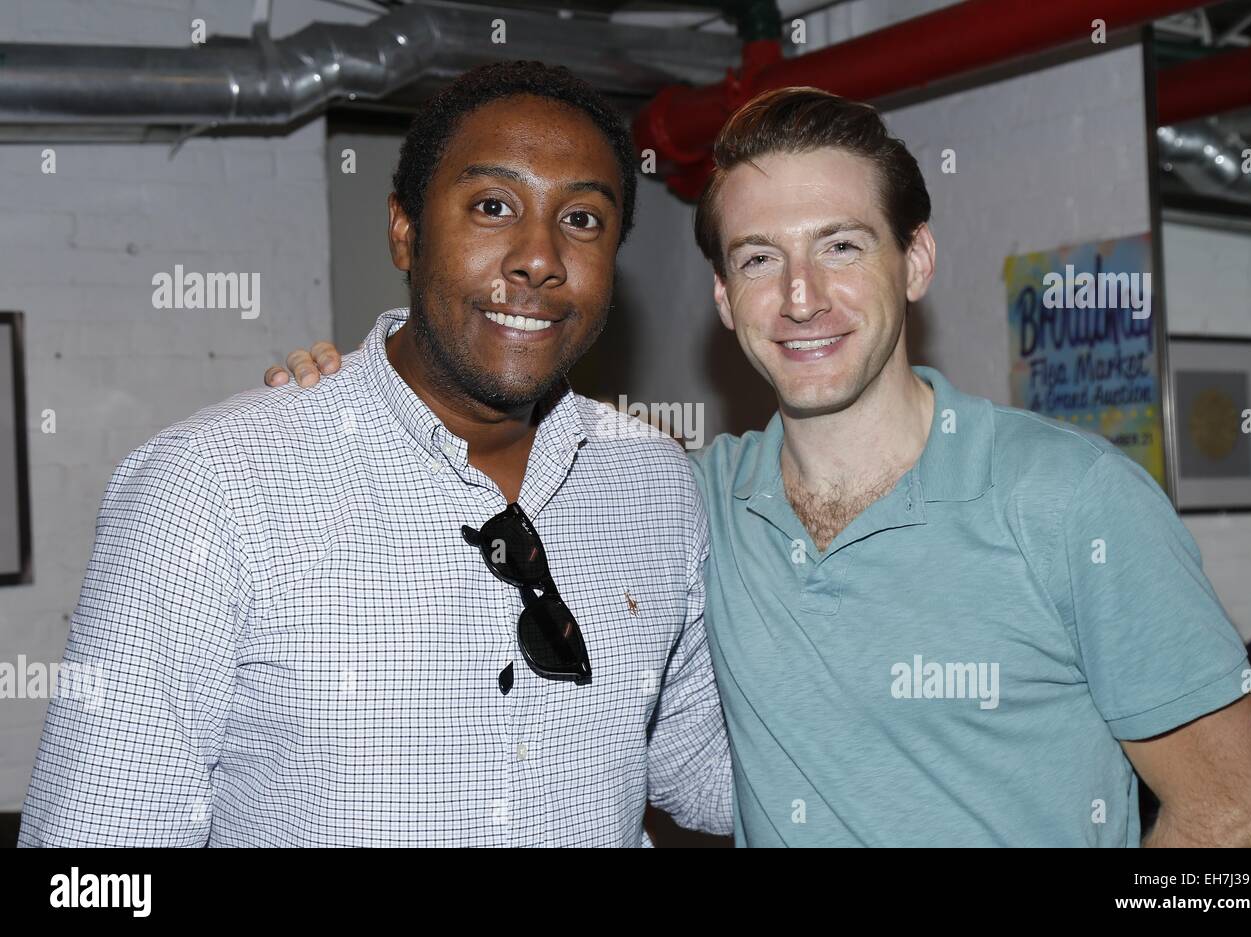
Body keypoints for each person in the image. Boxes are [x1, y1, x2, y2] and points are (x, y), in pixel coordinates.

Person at [275, 86, 1251, 847]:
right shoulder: (685, 496)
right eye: (761, 258)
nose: (801, 296)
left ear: (916, 261)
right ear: (724, 297)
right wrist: (352, 385)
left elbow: (1236, 821)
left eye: (842, 247)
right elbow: (482, 435)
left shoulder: (1071, 498)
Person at [20, 62, 731, 847]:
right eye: (493, 206)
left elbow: (702, 770)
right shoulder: (213, 484)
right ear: (404, 229)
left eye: (584, 220)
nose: (539, 258)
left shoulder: (657, 483)